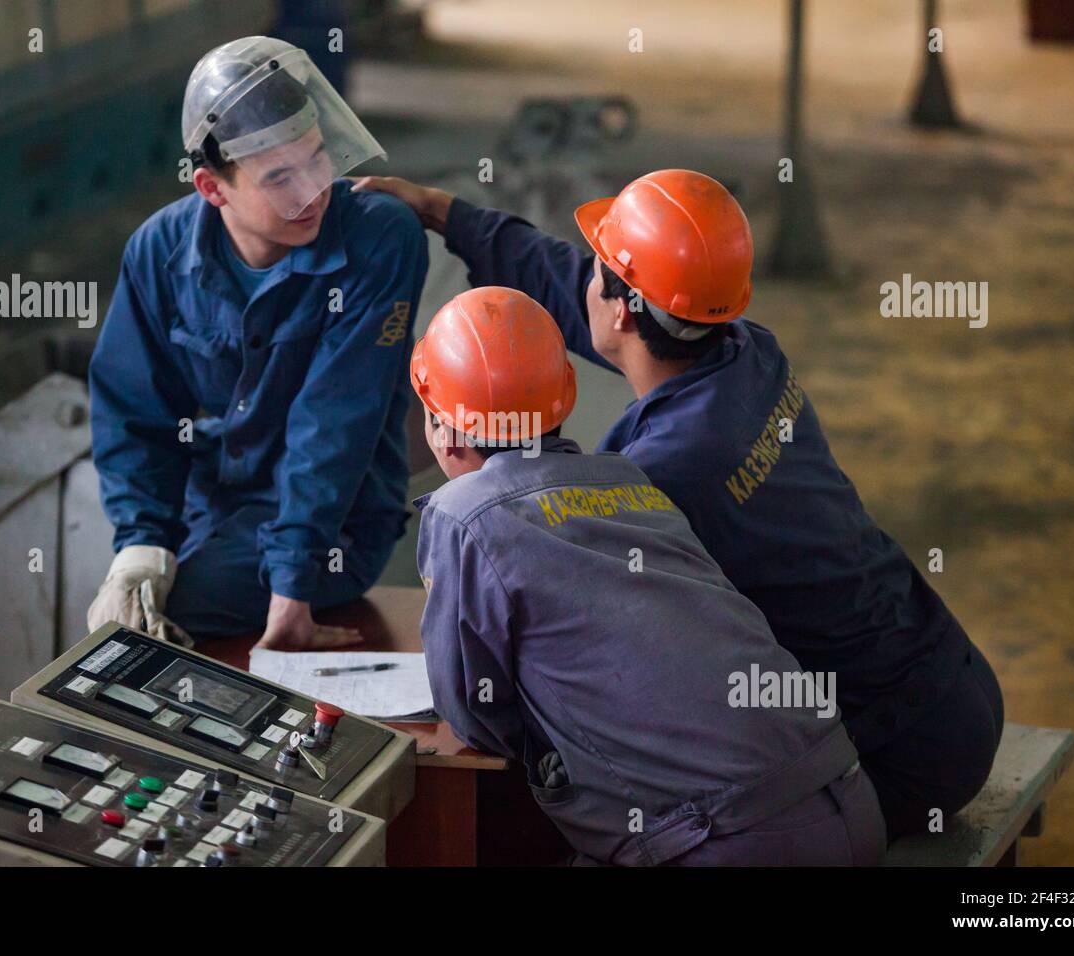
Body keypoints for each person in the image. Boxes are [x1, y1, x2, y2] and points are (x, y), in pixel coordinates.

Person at [356, 169, 1001, 840]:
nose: (584, 279)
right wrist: (441, 211)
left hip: (895, 752)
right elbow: (575, 280)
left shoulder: (659, 482)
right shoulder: (751, 353)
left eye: (598, 270)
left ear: (624, 312)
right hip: (956, 682)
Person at [411, 286, 886, 865]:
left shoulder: (466, 515)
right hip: (850, 794)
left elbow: (473, 712)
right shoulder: (628, 479)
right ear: (561, 400)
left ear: (444, 428)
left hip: (732, 843)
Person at [86, 37, 428, 650]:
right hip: (211, 511)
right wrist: (142, 546)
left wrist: (294, 583)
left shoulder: (379, 240)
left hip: (335, 528)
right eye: (279, 179)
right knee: (126, 616)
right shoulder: (158, 253)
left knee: (163, 628)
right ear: (213, 189)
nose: (314, 191)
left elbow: (335, 422)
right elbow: (134, 411)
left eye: (319, 159)